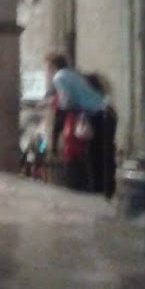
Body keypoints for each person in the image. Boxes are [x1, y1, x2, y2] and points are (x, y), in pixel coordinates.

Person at [44, 51, 115, 197]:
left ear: (52, 66)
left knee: (95, 155)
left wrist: (50, 103)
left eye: (47, 67)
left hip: (97, 116)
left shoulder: (59, 77)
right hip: (106, 113)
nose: (47, 71)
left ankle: (99, 192)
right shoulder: (71, 74)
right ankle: (106, 191)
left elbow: (67, 102)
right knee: (103, 154)